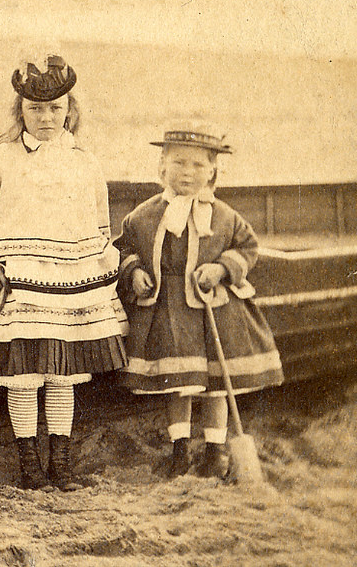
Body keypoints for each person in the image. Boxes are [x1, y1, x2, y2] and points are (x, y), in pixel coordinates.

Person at [0, 51, 128, 491]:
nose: (46, 117)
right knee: (24, 376)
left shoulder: (85, 162)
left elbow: (100, 221)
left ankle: (61, 464)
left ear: (70, 111)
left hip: (71, 285)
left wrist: (99, 265)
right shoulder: (1, 157)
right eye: (35, 109)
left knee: (61, 375)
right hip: (17, 284)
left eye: (56, 108)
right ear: (20, 111)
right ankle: (30, 466)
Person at [113, 121, 283, 479]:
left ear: (212, 171)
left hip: (215, 311)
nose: (187, 172)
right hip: (169, 311)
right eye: (178, 163)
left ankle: (215, 452)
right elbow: (124, 247)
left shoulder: (224, 216)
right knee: (179, 383)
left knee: (216, 386)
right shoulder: (142, 215)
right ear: (162, 167)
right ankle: (179, 452)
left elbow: (248, 247)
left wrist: (221, 269)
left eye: (197, 165)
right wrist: (134, 272)